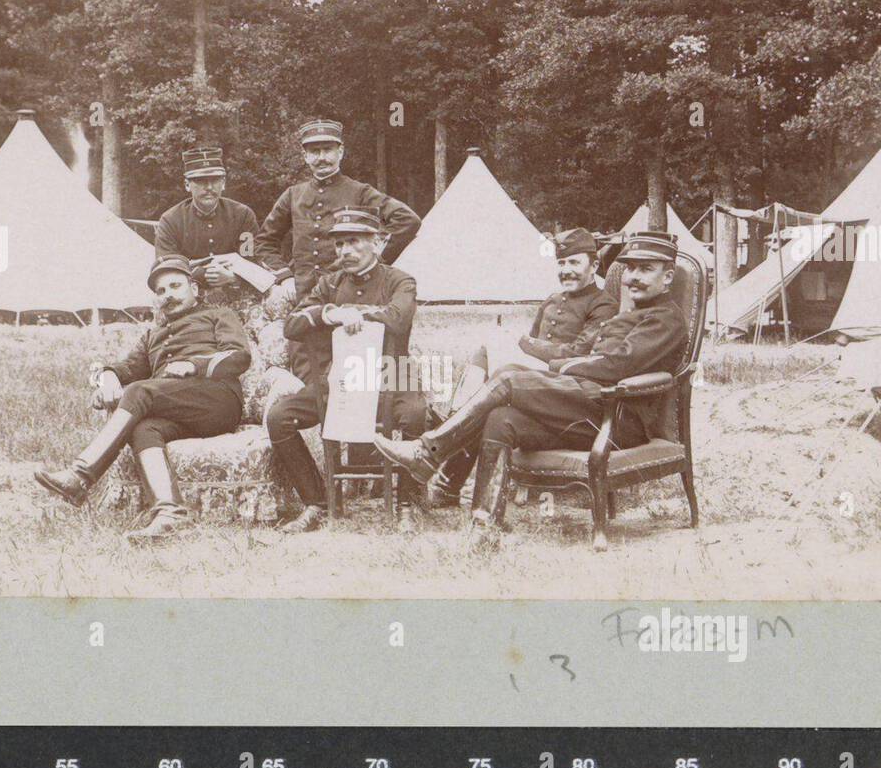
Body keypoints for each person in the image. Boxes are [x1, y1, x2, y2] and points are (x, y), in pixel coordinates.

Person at [374, 232, 688, 545]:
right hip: (588, 408)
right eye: (630, 268)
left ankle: (428, 453)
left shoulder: (665, 319)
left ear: (668, 276)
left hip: (619, 421)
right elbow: (602, 360)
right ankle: (485, 524)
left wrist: (560, 366)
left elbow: (616, 366)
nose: (633, 277)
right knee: (501, 417)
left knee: (509, 378)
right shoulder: (634, 311)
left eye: (645, 269)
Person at [34, 255, 252, 541]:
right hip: (178, 410)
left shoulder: (219, 314)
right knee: (143, 428)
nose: (168, 295)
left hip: (218, 402)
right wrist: (108, 374)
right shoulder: (153, 335)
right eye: (161, 291)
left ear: (195, 289)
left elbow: (239, 355)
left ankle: (80, 475)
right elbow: (128, 367)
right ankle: (171, 515)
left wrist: (195, 365)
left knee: (139, 391)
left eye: (175, 286)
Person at [426, 228, 619, 508]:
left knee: (488, 396)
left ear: (594, 265)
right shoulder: (552, 301)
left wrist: (525, 344)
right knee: (486, 364)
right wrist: (524, 346)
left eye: (574, 263)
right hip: (534, 383)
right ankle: (458, 424)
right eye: (562, 264)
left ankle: (449, 450)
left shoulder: (604, 304)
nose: (566, 271)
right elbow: (530, 345)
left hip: (565, 390)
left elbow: (579, 353)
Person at [266, 208, 426, 533]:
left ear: (378, 244)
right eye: (339, 245)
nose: (345, 252)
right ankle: (317, 500)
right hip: (343, 382)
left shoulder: (401, 280)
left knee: (416, 415)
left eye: (353, 242)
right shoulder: (329, 283)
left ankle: (408, 502)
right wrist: (328, 313)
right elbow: (292, 325)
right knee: (279, 416)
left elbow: (398, 318)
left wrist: (355, 312)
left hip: (392, 375)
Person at [258, 119, 421, 378]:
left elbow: (407, 220)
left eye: (327, 150)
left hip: (354, 302)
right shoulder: (293, 195)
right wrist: (284, 276)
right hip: (307, 302)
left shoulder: (360, 192)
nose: (321, 157)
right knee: (311, 382)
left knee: (359, 378)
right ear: (304, 155)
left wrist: (372, 257)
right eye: (314, 151)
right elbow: (264, 241)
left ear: (340, 151)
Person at [154, 147, 261, 300]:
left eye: (215, 180)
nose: (209, 187)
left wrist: (232, 277)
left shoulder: (243, 215)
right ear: (187, 184)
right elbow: (167, 268)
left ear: (223, 183)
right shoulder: (170, 220)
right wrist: (204, 274)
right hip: (188, 299)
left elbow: (251, 257)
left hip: (237, 294)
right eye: (200, 181)